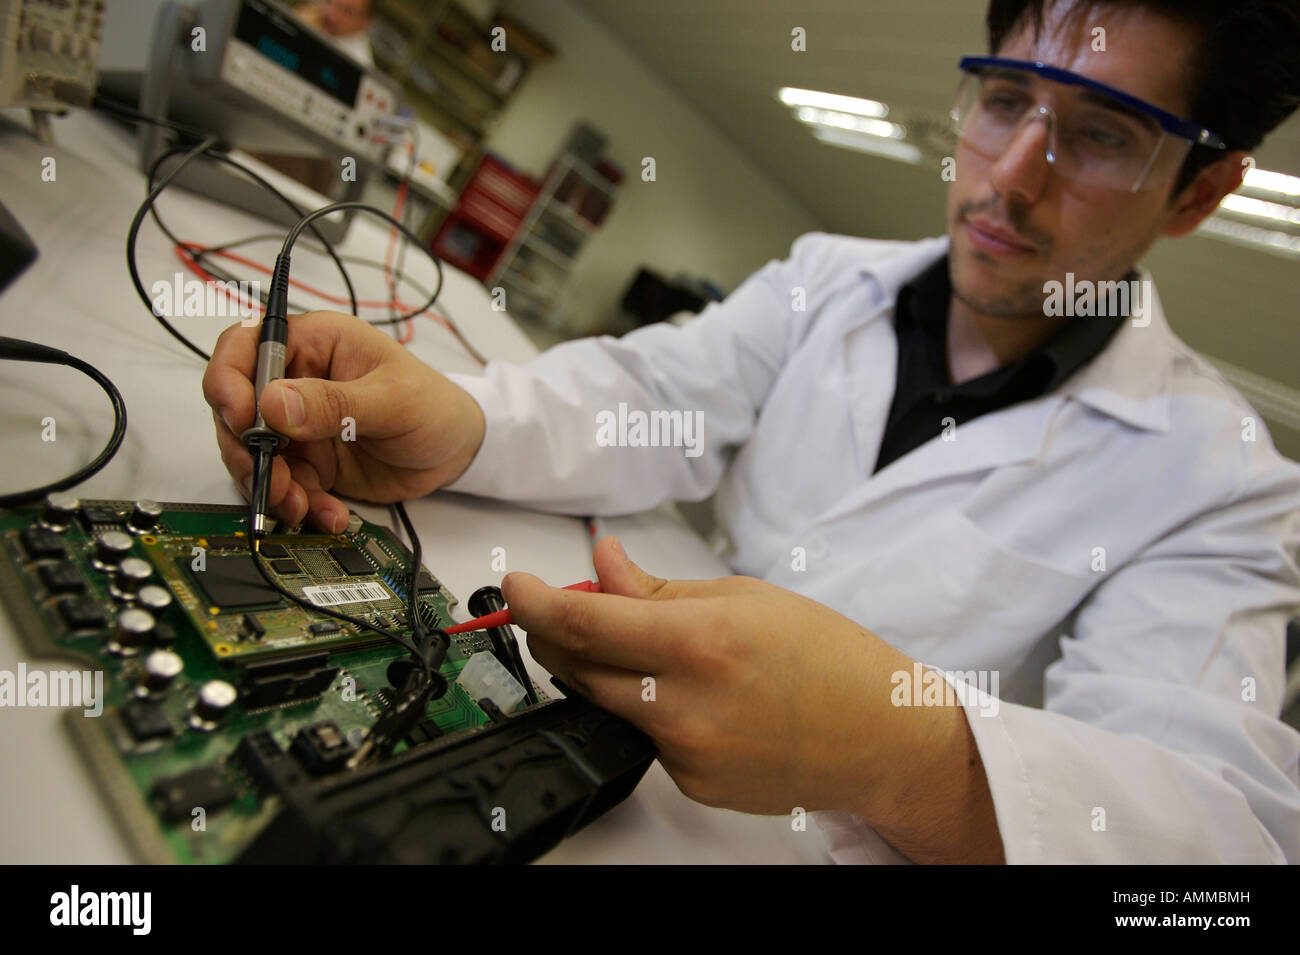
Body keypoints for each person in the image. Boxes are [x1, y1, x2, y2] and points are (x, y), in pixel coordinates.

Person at [203, 0, 1300, 864]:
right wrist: (467, 420)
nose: (1011, 177)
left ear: (1199, 191)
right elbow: (655, 391)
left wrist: (903, 755)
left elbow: (1217, 850)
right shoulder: (831, 278)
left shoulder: (1220, 480)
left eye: (1101, 134)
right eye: (1005, 99)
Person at [293, 0, 374, 67]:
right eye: (329, 1)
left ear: (365, 22)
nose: (332, 15)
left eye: (347, 11)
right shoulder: (309, 17)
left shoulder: (359, 66)